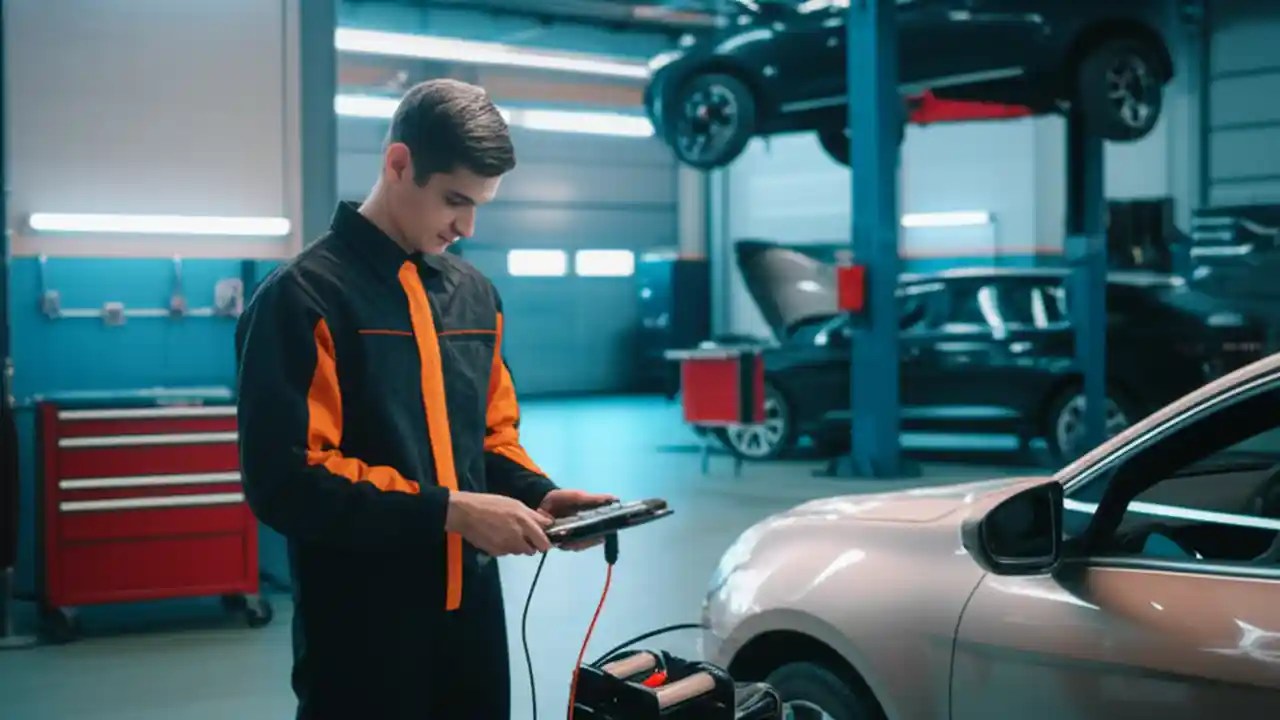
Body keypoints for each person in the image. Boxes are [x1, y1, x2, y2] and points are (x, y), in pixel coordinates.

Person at [235, 78, 613, 719]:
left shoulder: (473, 296)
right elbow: (288, 480)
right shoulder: (304, 299)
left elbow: (488, 439)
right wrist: (450, 512)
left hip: (472, 624)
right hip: (361, 631)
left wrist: (536, 494)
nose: (465, 226)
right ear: (398, 164)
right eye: (454, 200)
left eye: (480, 205)